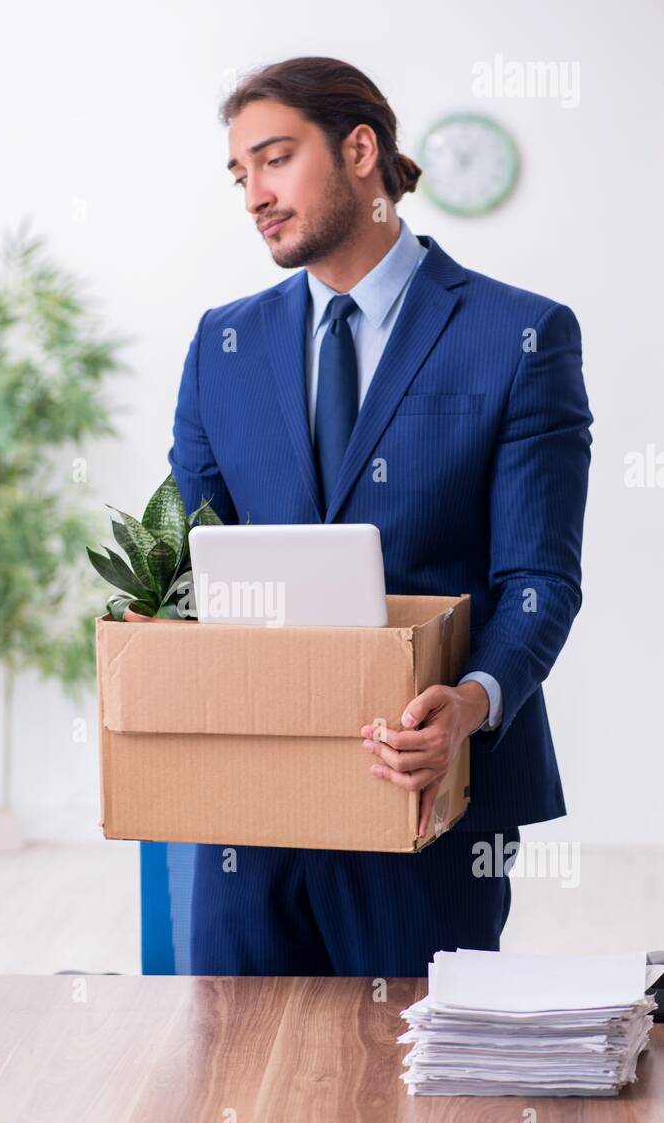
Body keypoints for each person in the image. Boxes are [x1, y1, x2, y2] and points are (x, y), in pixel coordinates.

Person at [165, 55, 592, 977]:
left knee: (411, 1089)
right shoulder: (222, 343)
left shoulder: (519, 335)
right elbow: (185, 563)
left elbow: (540, 579)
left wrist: (469, 708)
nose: (253, 196)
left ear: (360, 151)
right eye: (240, 175)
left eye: (274, 160)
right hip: (250, 802)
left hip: (429, 792)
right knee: (231, 1083)